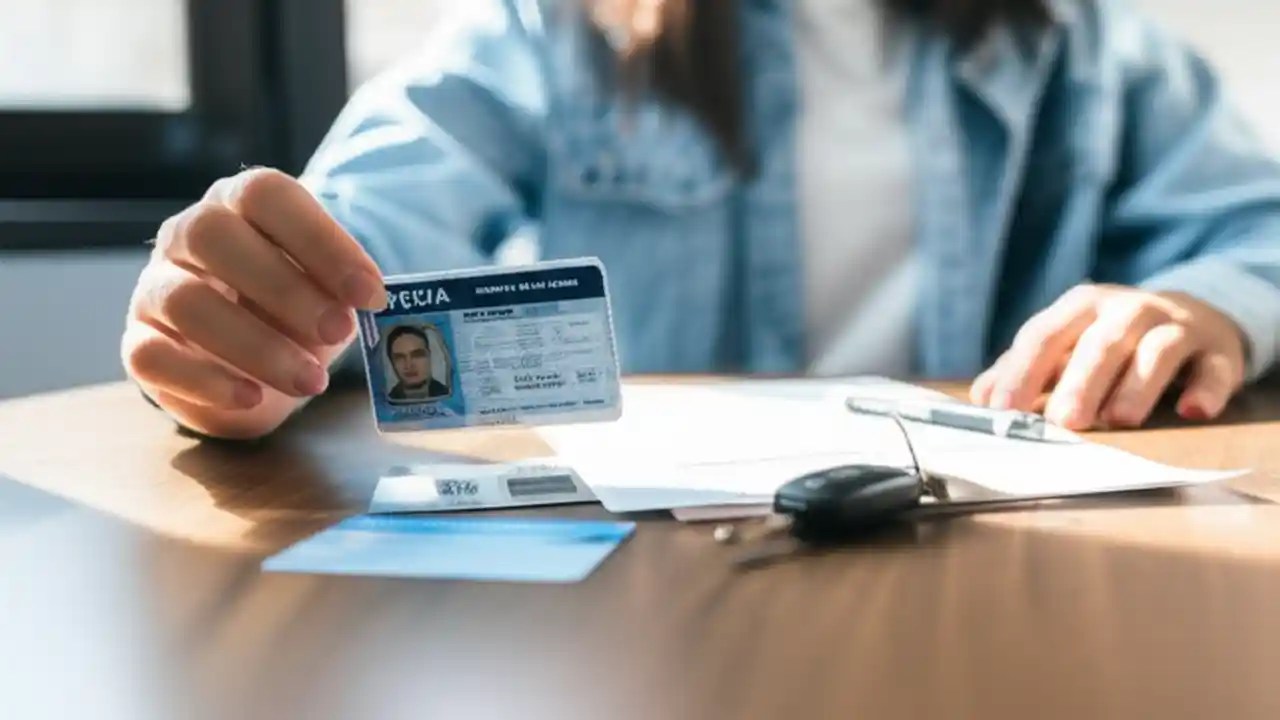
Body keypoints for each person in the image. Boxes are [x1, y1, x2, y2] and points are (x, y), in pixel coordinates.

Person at [121, 0, 1280, 441]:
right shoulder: (548, 31)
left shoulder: (1089, 52)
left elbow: (1257, 231)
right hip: (650, 567)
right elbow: (356, 231)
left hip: (971, 547)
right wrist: (247, 324)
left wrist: (1200, 306)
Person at [385, 325, 451, 401]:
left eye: (417, 355)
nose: (409, 365)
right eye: (400, 357)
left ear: (429, 356)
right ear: (392, 362)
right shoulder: (386, 402)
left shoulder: (447, 397)